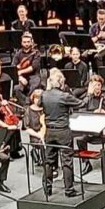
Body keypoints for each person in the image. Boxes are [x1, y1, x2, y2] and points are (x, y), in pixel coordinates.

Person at [41, 69, 83, 198]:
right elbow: (80, 103)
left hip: (49, 131)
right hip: (62, 131)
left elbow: (38, 104)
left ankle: (47, 189)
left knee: (49, 160)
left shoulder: (44, 94)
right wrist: (89, 94)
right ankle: (69, 190)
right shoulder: (64, 96)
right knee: (67, 160)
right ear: (61, 82)